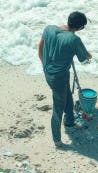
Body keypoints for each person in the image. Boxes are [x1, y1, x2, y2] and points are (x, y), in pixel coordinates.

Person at [38, 11, 92, 147]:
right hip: (59, 77)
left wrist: (44, 64)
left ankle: (69, 120)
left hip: (48, 72)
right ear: (79, 27)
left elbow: (40, 46)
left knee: (67, 93)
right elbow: (85, 60)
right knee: (58, 107)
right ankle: (57, 140)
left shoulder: (49, 29)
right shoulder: (74, 40)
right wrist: (89, 55)